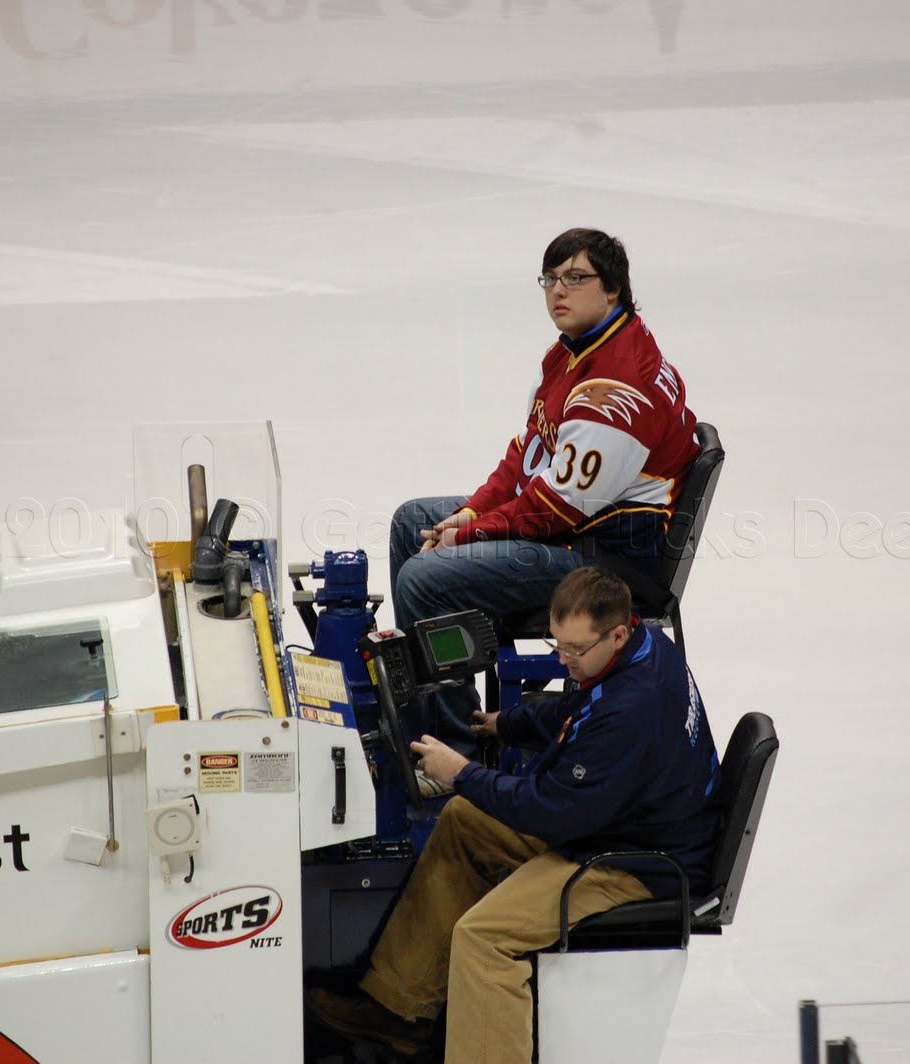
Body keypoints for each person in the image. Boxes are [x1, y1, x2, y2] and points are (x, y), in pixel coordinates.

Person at [308, 567, 722, 1063]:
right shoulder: (642, 647)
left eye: (575, 651)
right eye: (558, 646)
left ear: (616, 632)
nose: (564, 660)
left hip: (635, 863)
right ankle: (399, 1011)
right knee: (464, 821)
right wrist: (506, 724)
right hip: (624, 820)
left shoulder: (631, 711)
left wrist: (461, 771)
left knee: (486, 939)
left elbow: (549, 812)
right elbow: (578, 706)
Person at [389, 228, 699, 742]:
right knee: (413, 523)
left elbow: (555, 511)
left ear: (613, 289)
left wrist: (468, 537)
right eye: (551, 278)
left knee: (427, 577)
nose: (559, 290)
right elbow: (526, 457)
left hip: (607, 558)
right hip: (579, 525)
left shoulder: (615, 388)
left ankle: (452, 747)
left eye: (576, 278)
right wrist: (470, 516)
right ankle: (425, 707)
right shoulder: (575, 351)